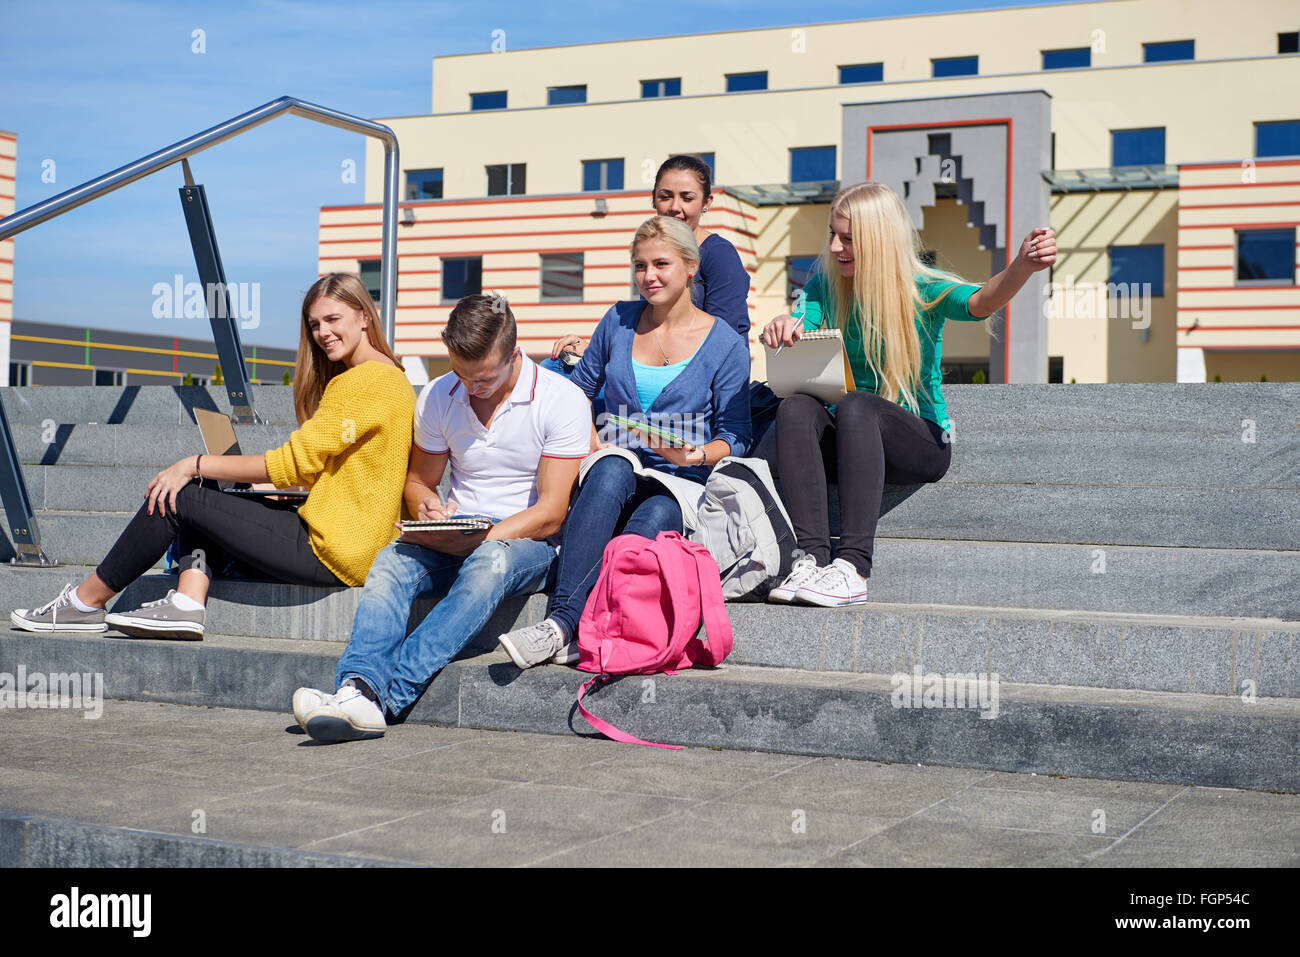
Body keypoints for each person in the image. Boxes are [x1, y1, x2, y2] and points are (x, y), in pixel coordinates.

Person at [10, 273, 415, 639]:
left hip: (334, 549)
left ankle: (84, 603)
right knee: (209, 494)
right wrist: (271, 488)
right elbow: (335, 472)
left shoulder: (365, 381)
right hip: (345, 540)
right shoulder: (388, 378)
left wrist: (195, 462)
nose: (322, 332)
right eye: (314, 324)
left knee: (182, 493)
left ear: (364, 316)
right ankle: (186, 601)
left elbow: (293, 462)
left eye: (333, 319)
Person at [293, 294, 591, 742]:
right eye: (461, 373)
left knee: (490, 560)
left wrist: (484, 537)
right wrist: (426, 506)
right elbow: (417, 482)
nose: (471, 387)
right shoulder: (438, 394)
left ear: (514, 354)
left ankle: (384, 699)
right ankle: (357, 686)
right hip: (461, 530)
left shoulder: (560, 399)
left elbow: (551, 513)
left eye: (484, 376)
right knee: (392, 560)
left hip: (528, 544)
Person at [760, 182, 1056, 607]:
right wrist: (785, 326)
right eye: (832, 234)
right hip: (850, 441)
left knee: (857, 405)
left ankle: (853, 568)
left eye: (849, 238)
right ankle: (810, 559)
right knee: (796, 409)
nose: (835, 246)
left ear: (878, 239)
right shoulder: (825, 287)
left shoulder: (922, 288)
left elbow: (979, 302)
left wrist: (1021, 267)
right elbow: (800, 320)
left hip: (919, 441)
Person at [496, 215, 751, 668]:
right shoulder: (618, 320)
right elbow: (578, 392)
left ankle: (589, 623)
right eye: (639, 265)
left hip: (679, 479)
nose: (648, 276)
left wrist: (699, 454)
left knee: (657, 513)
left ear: (690, 267)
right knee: (613, 468)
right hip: (612, 462)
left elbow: (736, 433)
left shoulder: (725, 344)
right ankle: (560, 625)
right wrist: (592, 441)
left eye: (660, 264)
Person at [547, 153, 751, 366]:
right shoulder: (651, 250)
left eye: (687, 198)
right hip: (656, 362)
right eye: (665, 196)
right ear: (653, 198)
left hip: (700, 374)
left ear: (706, 202)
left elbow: (722, 342)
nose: (674, 207)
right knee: (556, 366)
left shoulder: (720, 255)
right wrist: (595, 348)